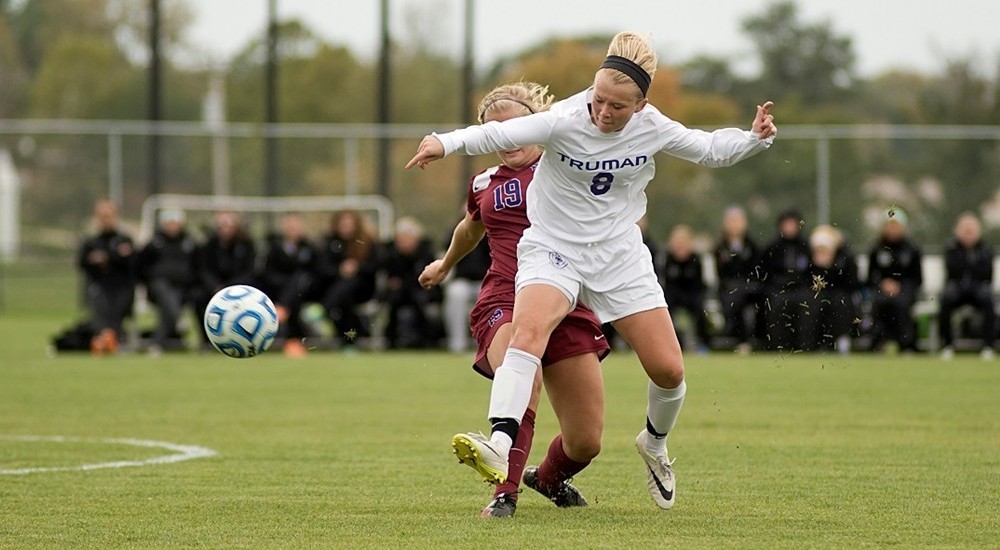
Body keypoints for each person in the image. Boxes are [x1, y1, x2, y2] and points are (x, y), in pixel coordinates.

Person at [406, 31, 776, 510]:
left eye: (617, 107)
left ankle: (655, 445)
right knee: (529, 333)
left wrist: (753, 139)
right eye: (598, 100)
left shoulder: (654, 127)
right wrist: (443, 141)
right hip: (553, 248)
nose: (602, 113)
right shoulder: (564, 117)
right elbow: (497, 133)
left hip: (618, 255)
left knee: (668, 370)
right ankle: (500, 442)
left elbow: (708, 149)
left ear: (641, 105)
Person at [419, 81, 609, 517]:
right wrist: (444, 265)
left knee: (586, 440)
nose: (505, 139)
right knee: (525, 378)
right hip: (504, 296)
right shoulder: (485, 181)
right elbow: (469, 230)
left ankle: (546, 478)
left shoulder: (567, 167)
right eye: (494, 131)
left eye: (513, 127)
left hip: (567, 295)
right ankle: (505, 492)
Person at [77, 199, 136, 355]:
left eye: (109, 216)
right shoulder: (90, 242)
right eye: (102, 216)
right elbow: (83, 263)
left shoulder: (124, 239)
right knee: (100, 304)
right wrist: (114, 256)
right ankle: (106, 339)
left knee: (118, 306)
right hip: (99, 286)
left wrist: (105, 258)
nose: (106, 219)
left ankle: (112, 339)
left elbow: (129, 262)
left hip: (121, 287)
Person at [137, 209, 199, 354]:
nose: (172, 226)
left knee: (173, 303)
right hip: (158, 288)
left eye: (175, 223)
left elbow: (198, 267)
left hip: (184, 289)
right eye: (169, 223)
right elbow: (140, 265)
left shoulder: (189, 243)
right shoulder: (154, 243)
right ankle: (177, 320)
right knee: (163, 290)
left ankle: (157, 343)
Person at [316, 210, 379, 349]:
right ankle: (349, 340)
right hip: (337, 291)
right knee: (344, 300)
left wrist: (356, 268)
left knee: (350, 285)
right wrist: (340, 270)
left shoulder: (367, 242)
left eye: (349, 224)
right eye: (343, 224)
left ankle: (323, 310)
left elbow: (375, 266)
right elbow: (323, 268)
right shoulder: (331, 243)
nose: (346, 227)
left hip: (363, 289)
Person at [194, 211, 257, 348]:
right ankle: (207, 341)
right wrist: (215, 287)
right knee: (198, 298)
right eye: (221, 226)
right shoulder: (209, 244)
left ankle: (244, 340)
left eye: (228, 225)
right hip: (214, 289)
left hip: (240, 289)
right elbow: (204, 270)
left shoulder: (246, 244)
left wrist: (231, 288)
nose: (225, 229)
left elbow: (249, 271)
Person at [378, 217, 443, 349]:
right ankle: (391, 340)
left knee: (418, 300)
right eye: (400, 239)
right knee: (394, 300)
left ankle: (425, 339)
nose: (403, 243)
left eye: (406, 239)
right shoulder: (389, 254)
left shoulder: (426, 253)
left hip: (421, 291)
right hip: (398, 293)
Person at [259, 213, 317, 357]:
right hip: (278, 290)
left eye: (295, 227)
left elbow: (314, 272)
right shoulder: (273, 248)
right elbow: (267, 273)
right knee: (292, 297)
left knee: (297, 285)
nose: (292, 230)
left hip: (305, 291)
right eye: (289, 227)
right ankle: (291, 340)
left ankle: (292, 336)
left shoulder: (310, 248)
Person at [938, 212, 995, 360]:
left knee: (988, 299)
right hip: (957, 288)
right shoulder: (951, 249)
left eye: (971, 230)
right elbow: (952, 271)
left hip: (978, 288)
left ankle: (988, 345)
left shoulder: (985, 249)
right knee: (946, 298)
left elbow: (987, 273)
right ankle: (947, 345)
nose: (968, 234)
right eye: (965, 230)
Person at [867, 208, 923, 352]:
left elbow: (917, 278)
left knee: (900, 303)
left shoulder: (912, 249)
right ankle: (877, 343)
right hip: (882, 290)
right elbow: (871, 276)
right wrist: (883, 284)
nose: (892, 229)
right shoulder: (876, 248)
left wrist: (900, 286)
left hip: (905, 290)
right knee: (880, 302)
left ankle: (907, 345)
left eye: (895, 225)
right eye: (889, 225)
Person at [801, 225, 860, 353]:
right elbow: (805, 281)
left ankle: (841, 339)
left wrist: (830, 268)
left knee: (840, 304)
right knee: (811, 304)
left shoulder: (845, 258)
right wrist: (819, 268)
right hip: (817, 296)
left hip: (841, 294)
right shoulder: (809, 260)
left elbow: (851, 283)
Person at [759, 209, 811, 351]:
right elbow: (765, 274)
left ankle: (805, 347)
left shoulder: (806, 247)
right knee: (774, 304)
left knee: (807, 305)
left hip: (801, 290)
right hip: (778, 290)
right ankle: (776, 346)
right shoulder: (772, 248)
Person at [713, 206, 761, 354]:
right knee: (733, 297)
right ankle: (735, 337)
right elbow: (721, 272)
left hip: (750, 288)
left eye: (737, 221)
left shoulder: (753, 246)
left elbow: (756, 270)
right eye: (731, 221)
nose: (734, 225)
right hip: (727, 289)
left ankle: (747, 338)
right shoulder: (719, 248)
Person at [440, 222, 491, 353]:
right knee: (455, 293)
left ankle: (486, 341)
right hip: (462, 280)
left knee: (488, 295)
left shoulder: (490, 229)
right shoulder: (455, 230)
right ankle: (457, 343)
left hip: (486, 280)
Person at [660, 225, 710, 352]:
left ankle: (703, 342)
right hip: (673, 297)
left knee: (701, 308)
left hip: (693, 296)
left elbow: (701, 284)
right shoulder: (666, 259)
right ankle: (670, 343)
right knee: (665, 310)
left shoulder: (697, 260)